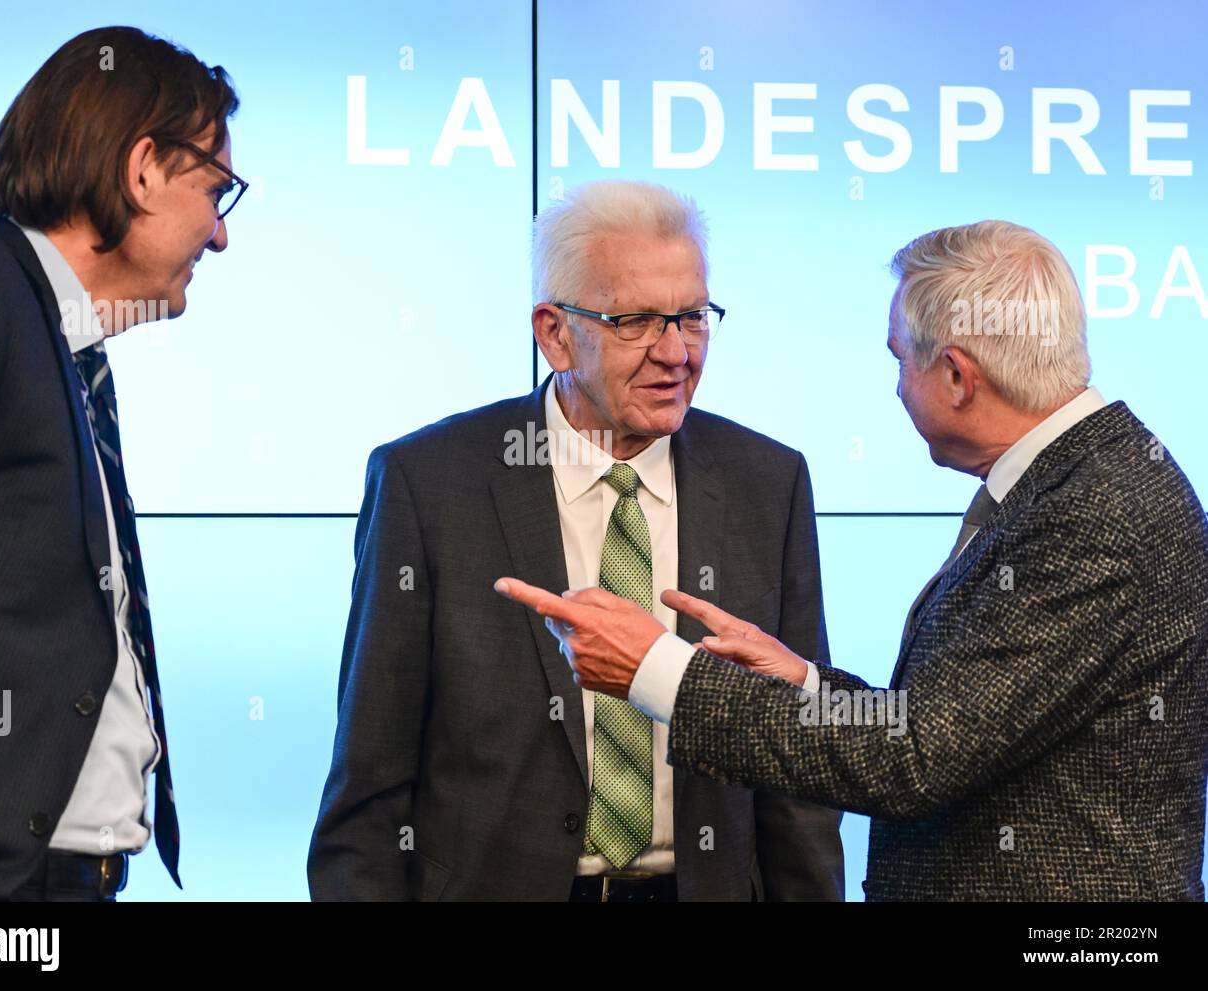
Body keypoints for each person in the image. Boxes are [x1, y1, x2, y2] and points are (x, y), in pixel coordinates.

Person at [498, 219, 1208, 901]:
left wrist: (656, 670)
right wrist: (805, 681)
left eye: (901, 359)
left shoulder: (1095, 513)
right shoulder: (1079, 481)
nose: (897, 386)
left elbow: (916, 757)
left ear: (958, 376)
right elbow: (952, 722)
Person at [309, 180, 844, 901]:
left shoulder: (767, 482)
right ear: (554, 332)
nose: (676, 351)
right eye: (635, 321)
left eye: (692, 317)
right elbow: (369, 785)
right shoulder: (430, 483)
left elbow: (798, 781)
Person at [0, 25, 244, 901]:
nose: (219, 237)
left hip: (76, 882)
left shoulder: (71, 356)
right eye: (217, 191)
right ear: (142, 170)